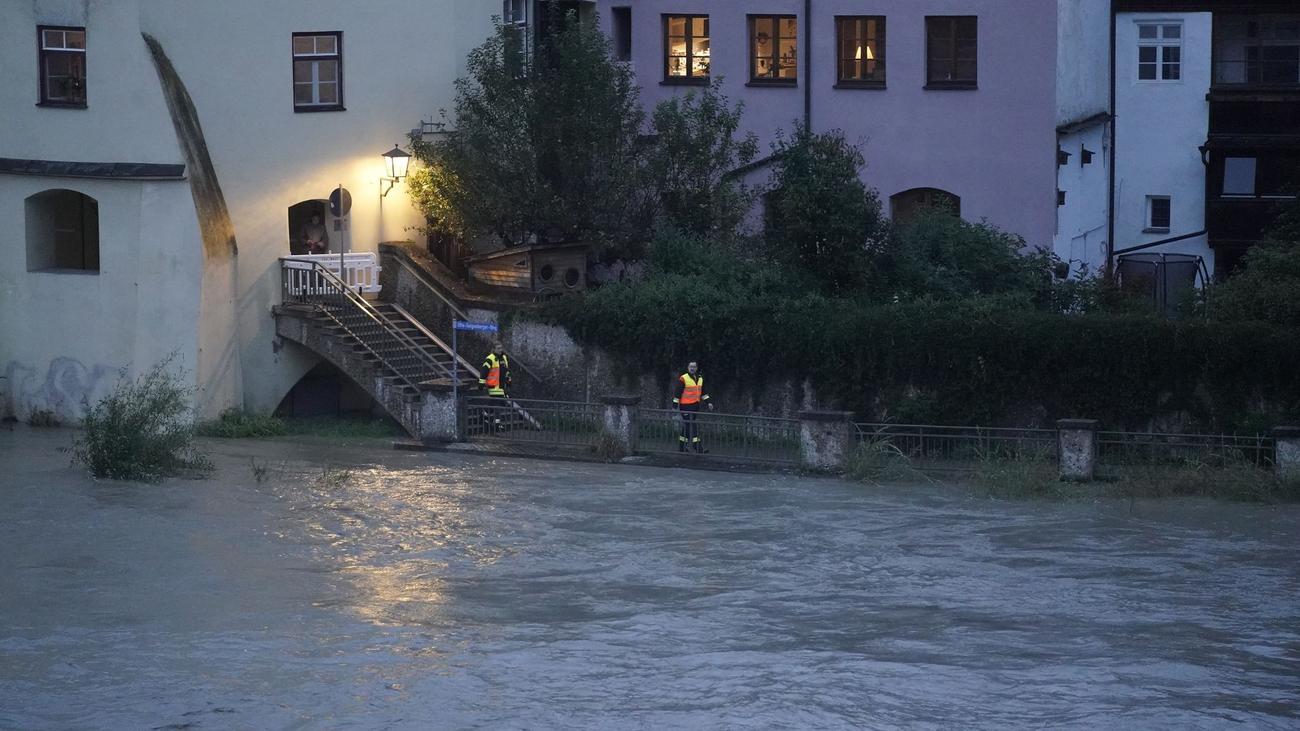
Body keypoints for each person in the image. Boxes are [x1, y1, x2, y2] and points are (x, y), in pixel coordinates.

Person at [673, 361, 713, 453]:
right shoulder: (683, 378)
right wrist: (675, 404)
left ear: (697, 368)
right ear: (687, 367)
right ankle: (698, 447)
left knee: (687, 426)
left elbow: (703, 393)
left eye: (694, 367)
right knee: (692, 425)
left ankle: (682, 447)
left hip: (695, 406)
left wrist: (708, 403)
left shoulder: (700, 379)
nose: (692, 368)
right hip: (685, 406)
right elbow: (677, 392)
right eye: (690, 366)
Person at [479, 340, 511, 432]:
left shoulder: (504, 357)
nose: (500, 350)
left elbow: (506, 370)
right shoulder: (490, 358)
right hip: (493, 385)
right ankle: (497, 424)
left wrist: (509, 380)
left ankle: (485, 413)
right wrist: (481, 383)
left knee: (496, 402)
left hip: (502, 385)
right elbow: (484, 372)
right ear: (493, 349)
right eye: (498, 348)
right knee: (498, 403)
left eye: (501, 348)